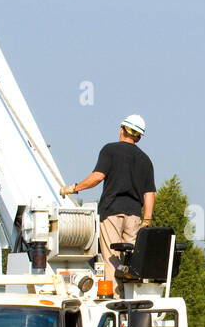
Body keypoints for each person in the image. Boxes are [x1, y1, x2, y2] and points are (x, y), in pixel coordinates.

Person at [60, 115, 155, 293]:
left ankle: (114, 303)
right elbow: (149, 193)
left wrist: (74, 188)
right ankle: (130, 300)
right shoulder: (145, 160)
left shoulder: (110, 150)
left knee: (112, 259)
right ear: (139, 137)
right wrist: (147, 219)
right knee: (131, 261)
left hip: (112, 211)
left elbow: (97, 176)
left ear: (121, 130)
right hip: (134, 215)